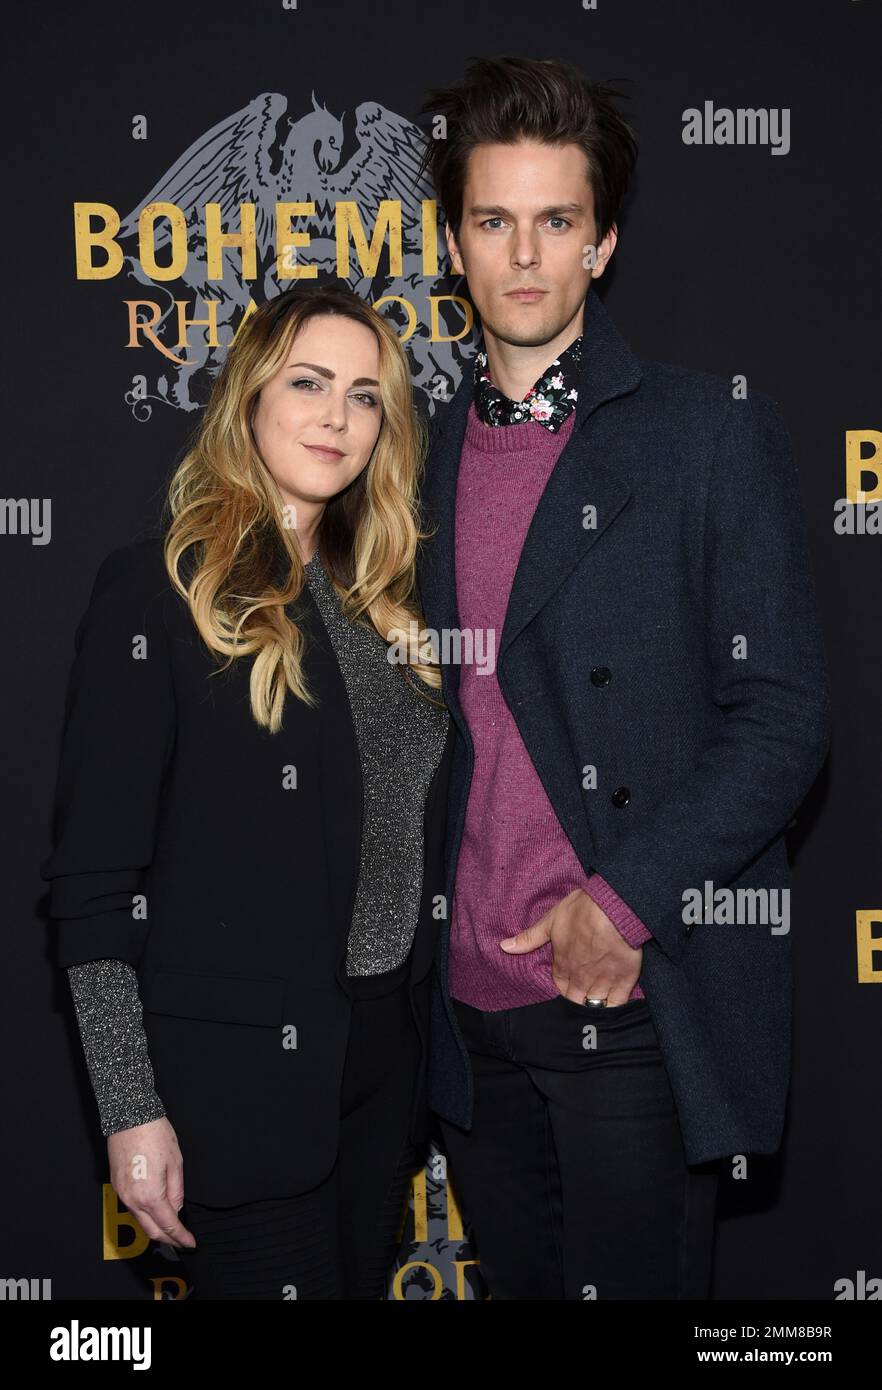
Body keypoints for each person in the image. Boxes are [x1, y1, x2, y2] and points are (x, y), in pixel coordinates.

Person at [414, 56, 831, 1299]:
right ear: (454, 241)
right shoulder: (412, 456)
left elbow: (785, 714)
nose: (525, 256)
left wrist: (626, 900)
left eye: (557, 222)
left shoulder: (705, 434)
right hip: (466, 1016)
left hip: (632, 1002)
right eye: (495, 222)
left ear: (602, 245)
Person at [41, 281, 454, 1300]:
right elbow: (94, 887)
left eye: (366, 396)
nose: (336, 416)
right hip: (236, 1087)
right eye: (308, 382)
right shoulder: (159, 588)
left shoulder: (390, 607)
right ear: (249, 398)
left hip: (380, 1079)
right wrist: (130, 1112)